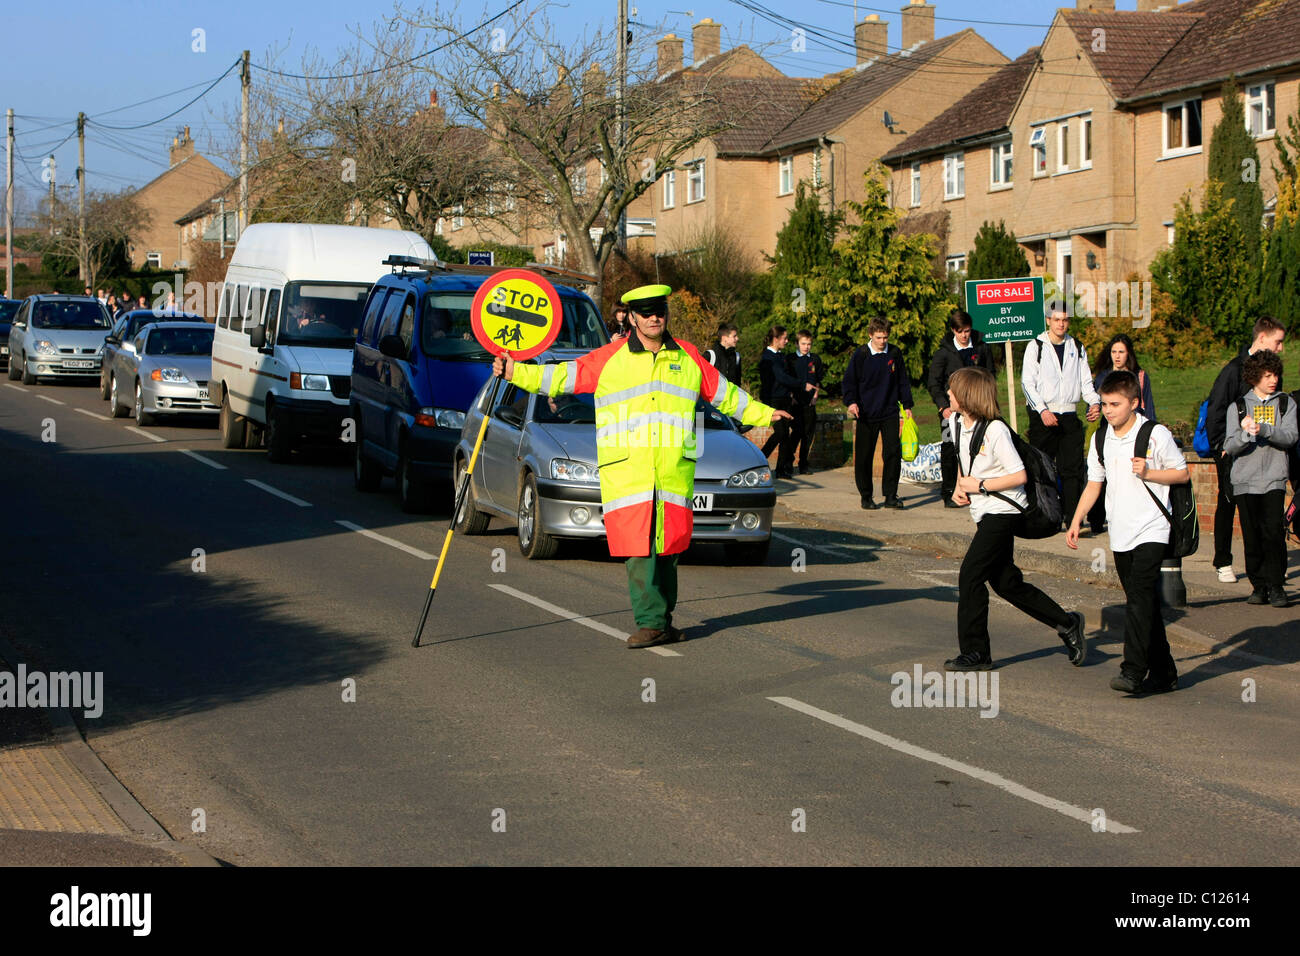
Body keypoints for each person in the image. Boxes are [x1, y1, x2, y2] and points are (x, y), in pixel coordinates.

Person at [491, 284, 792, 649]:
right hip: (629, 475)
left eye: (659, 311)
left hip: (673, 474)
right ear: (632, 317)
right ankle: (650, 621)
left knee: (669, 550)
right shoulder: (610, 358)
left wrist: (765, 413)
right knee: (641, 550)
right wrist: (513, 371)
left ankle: (663, 621)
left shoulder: (687, 357)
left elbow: (725, 394)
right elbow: (559, 377)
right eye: (646, 312)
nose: (654, 317)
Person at [946, 366, 1087, 671]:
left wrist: (980, 485)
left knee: (970, 576)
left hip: (1005, 511)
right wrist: (961, 486)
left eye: (952, 389)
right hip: (983, 511)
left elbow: (1019, 475)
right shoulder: (956, 422)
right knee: (1006, 582)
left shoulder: (996, 430)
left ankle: (975, 653)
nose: (948, 394)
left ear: (967, 396)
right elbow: (964, 459)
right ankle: (1067, 623)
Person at [1067, 371, 1188, 694]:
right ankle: (1165, 673)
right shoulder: (1100, 439)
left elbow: (1182, 474)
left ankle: (1133, 670)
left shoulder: (1154, 433)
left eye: (1115, 404)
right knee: (1142, 602)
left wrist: (1150, 472)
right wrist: (1077, 518)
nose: (1108, 410)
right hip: (1120, 531)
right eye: (1105, 404)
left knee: (1138, 601)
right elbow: (1095, 483)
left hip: (1152, 528)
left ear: (1134, 403)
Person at [1205, 315, 1287, 583]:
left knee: (1264, 509)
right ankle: (1223, 561)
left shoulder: (1273, 375)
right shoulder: (1233, 370)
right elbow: (1216, 410)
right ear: (1262, 338)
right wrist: (1221, 448)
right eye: (1278, 342)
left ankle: (1270, 566)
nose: (1281, 347)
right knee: (1228, 502)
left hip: (1265, 452)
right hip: (1231, 449)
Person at [1223, 350, 1297, 607]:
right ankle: (1258, 586)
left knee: (1274, 534)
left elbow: (1290, 437)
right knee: (1252, 536)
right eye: (1267, 375)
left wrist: (1264, 429)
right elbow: (1229, 445)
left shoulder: (1285, 403)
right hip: (1245, 480)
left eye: (1275, 374)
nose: (1273, 380)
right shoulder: (1239, 406)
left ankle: (1276, 586)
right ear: (1255, 377)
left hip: (1274, 478)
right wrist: (1245, 434)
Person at [1022, 303, 1101, 527]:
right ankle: (1045, 516)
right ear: (1048, 320)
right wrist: (1042, 410)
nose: (1061, 324)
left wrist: (1094, 403)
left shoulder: (1076, 346)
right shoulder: (1036, 346)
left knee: (1072, 470)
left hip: (1068, 414)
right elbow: (1028, 383)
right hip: (1043, 416)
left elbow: (1086, 382)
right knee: (1042, 468)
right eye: (1056, 319)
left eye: (1065, 320)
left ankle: (1072, 518)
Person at [1087, 333, 1157, 535]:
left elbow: (1149, 406)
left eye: (1122, 352)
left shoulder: (1140, 376)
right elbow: (1093, 403)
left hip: (1136, 431)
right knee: (1104, 474)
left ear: (1129, 354)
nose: (1117, 356)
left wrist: (1152, 431)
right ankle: (1097, 519)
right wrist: (1092, 410)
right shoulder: (1102, 376)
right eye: (1114, 352)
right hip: (1109, 430)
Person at [843, 317, 913, 509]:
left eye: (885, 337)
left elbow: (902, 381)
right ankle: (866, 496)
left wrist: (907, 405)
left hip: (889, 410)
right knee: (864, 456)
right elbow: (849, 382)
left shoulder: (895, 353)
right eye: (879, 337)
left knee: (892, 453)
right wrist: (851, 402)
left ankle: (890, 495)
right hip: (865, 413)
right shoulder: (861, 355)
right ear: (870, 335)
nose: (883, 341)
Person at [927, 310, 995, 508]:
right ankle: (949, 491)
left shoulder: (981, 348)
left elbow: (989, 375)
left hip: (977, 408)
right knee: (951, 449)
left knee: (979, 449)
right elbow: (934, 382)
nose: (964, 336)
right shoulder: (944, 353)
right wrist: (943, 406)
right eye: (960, 332)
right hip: (952, 412)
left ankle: (975, 488)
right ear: (953, 331)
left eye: (967, 331)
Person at [759, 325, 803, 479]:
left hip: (784, 399)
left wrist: (792, 393)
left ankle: (781, 469)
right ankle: (760, 458)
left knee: (785, 434)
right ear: (775, 339)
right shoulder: (768, 357)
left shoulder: (781, 356)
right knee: (781, 432)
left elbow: (786, 377)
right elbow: (781, 377)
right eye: (784, 338)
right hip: (772, 400)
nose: (787, 341)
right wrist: (802, 384)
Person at [791, 330, 821, 474]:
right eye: (803, 344)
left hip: (810, 403)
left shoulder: (815, 359)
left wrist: (815, 395)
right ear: (797, 344)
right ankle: (787, 462)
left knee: (808, 435)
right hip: (795, 403)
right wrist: (791, 397)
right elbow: (787, 380)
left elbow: (818, 380)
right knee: (796, 433)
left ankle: (804, 464)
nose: (806, 347)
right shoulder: (790, 359)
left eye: (809, 344)